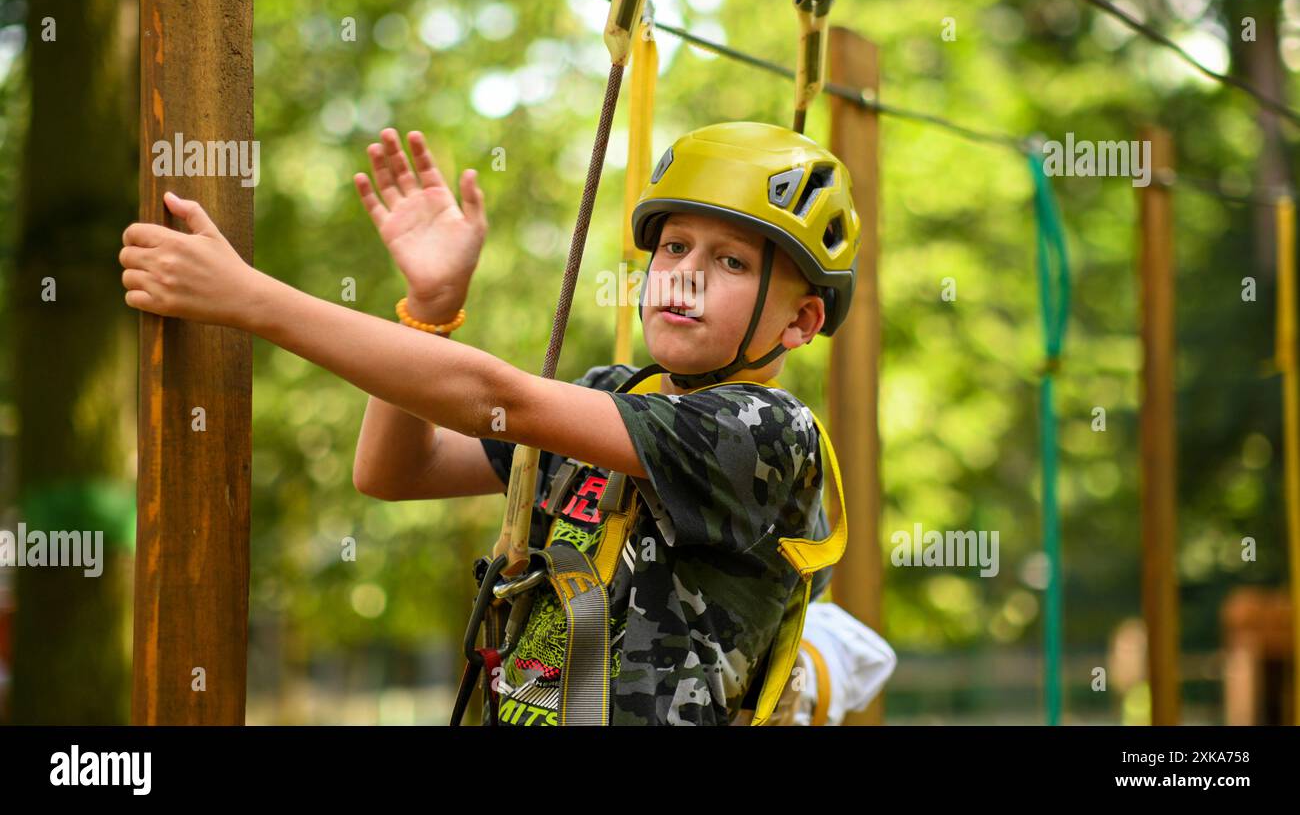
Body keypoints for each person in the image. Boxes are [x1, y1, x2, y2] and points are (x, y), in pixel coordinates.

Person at [119, 120, 862, 725]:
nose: (685, 275)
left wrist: (250, 300)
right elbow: (394, 471)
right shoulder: (615, 394)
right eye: (673, 247)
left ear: (800, 320)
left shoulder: (767, 430)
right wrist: (429, 312)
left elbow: (495, 397)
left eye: (732, 262)